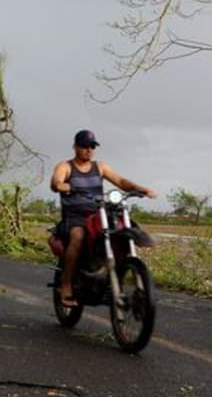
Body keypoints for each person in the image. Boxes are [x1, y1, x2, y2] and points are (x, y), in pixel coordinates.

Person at [49, 129, 157, 307]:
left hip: (98, 214)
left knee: (121, 230)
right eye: (84, 146)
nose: (89, 150)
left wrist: (140, 189)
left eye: (92, 146)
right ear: (75, 146)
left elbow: (120, 181)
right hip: (75, 217)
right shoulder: (65, 166)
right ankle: (66, 285)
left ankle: (115, 274)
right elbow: (56, 182)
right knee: (78, 236)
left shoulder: (100, 167)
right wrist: (61, 185)